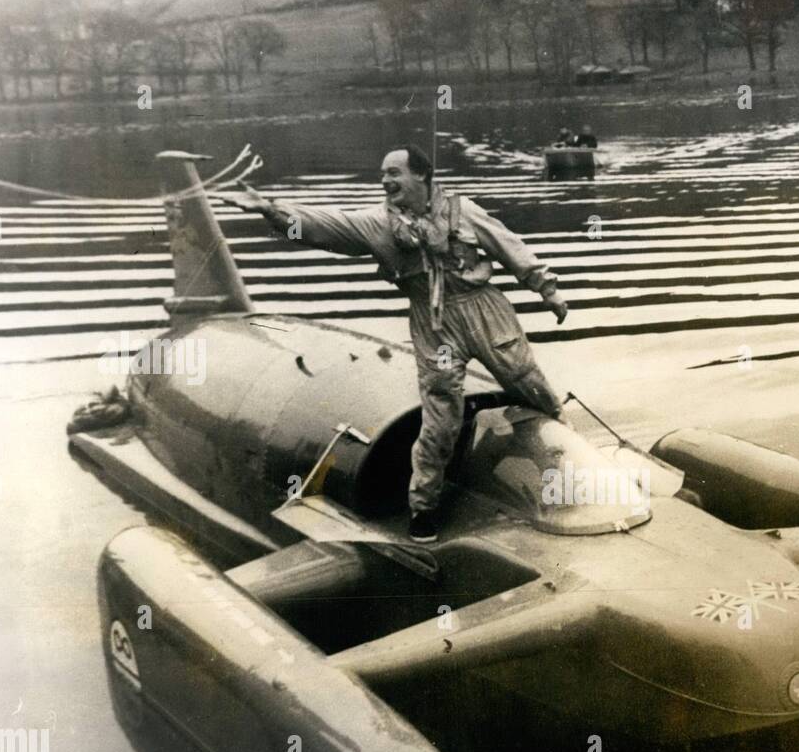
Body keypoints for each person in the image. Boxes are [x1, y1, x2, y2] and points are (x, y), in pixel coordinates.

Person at [219, 145, 568, 544]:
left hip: (484, 309)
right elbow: (327, 226)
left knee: (533, 388)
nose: (385, 181)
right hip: (433, 324)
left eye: (394, 172)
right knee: (439, 417)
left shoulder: (461, 210)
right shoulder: (378, 223)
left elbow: (509, 246)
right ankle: (423, 511)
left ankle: (568, 476)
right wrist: (273, 210)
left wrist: (548, 290)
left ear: (422, 176)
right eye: (382, 173)